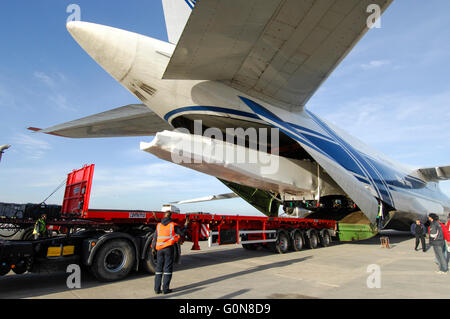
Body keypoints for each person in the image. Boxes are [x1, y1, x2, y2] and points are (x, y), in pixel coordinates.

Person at [151, 212, 189, 294]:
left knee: (158, 268)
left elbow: (155, 238)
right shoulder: (173, 225)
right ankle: (165, 289)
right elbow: (182, 233)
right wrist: (186, 224)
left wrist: (153, 248)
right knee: (167, 268)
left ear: (164, 216)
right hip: (168, 248)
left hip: (159, 249)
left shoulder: (159, 225)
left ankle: (156, 289)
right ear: (171, 216)